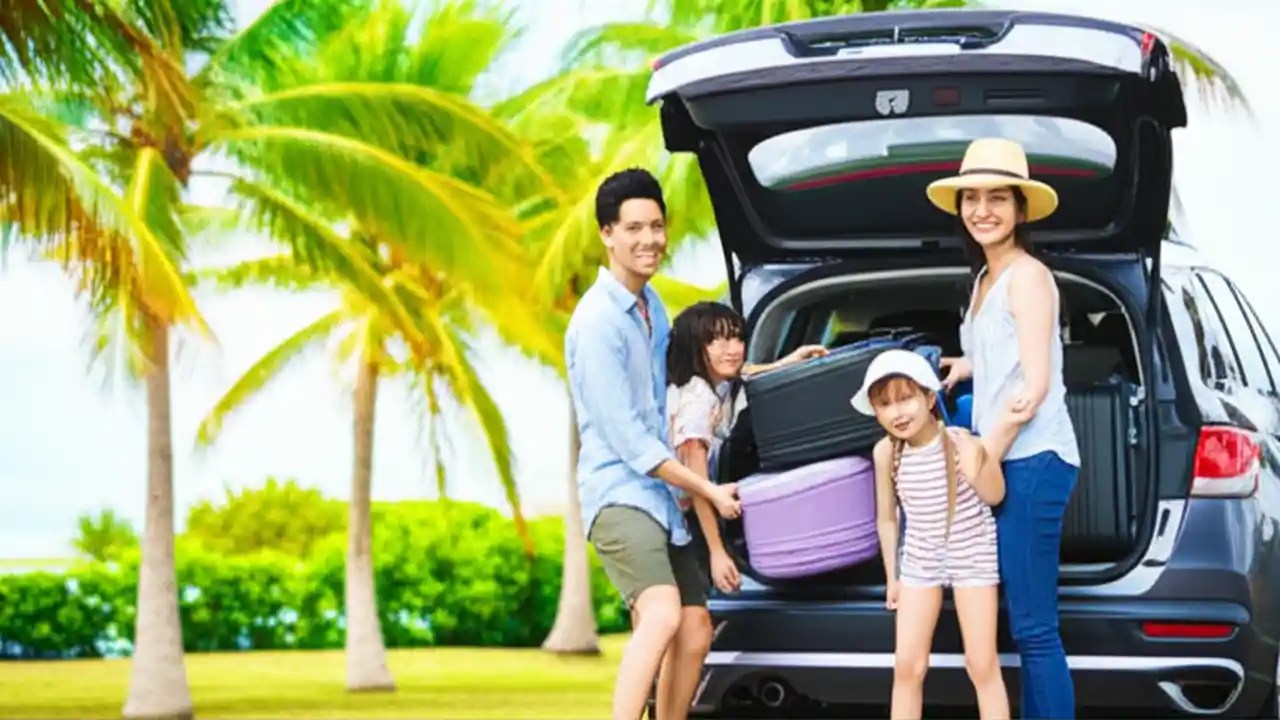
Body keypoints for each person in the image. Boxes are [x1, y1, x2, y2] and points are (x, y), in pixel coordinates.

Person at [564, 168, 742, 720]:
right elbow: (633, 443)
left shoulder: (651, 307)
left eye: (657, 227)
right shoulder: (597, 323)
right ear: (607, 234)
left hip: (662, 499)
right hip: (619, 494)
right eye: (634, 228)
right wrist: (708, 490)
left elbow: (691, 375)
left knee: (695, 629)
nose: (650, 240)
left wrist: (778, 365)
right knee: (662, 613)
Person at [926, 137, 1082, 720]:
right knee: (1025, 623)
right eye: (971, 198)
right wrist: (962, 366)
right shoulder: (984, 280)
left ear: (1020, 208)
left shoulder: (1028, 277)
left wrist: (982, 455)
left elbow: (1033, 387)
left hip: (1034, 458)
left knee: (1035, 628)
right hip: (1006, 459)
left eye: (997, 198)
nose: (982, 210)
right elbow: (1001, 354)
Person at [660, 301, 826, 719]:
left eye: (735, 336)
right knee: (687, 636)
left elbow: (745, 372)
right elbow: (698, 482)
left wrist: (788, 362)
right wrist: (718, 551)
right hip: (675, 522)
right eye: (716, 340)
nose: (731, 348)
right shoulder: (697, 400)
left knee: (684, 637)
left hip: (682, 518)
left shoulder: (714, 385)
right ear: (695, 347)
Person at [850, 349, 1013, 720]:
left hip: (972, 551)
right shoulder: (886, 452)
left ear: (928, 398)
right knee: (908, 666)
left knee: (982, 664)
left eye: (906, 398)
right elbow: (887, 518)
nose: (897, 413)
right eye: (884, 404)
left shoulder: (959, 441)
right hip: (921, 557)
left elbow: (995, 495)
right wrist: (892, 577)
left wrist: (976, 463)